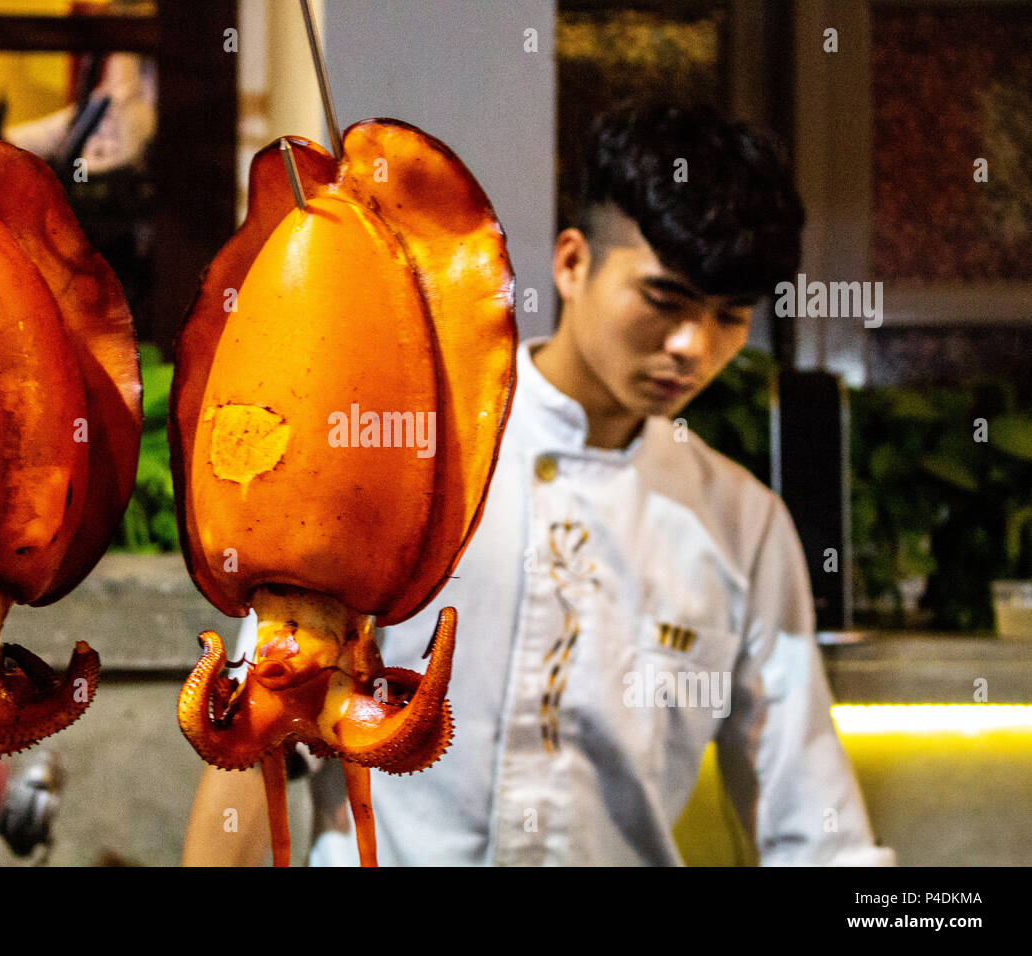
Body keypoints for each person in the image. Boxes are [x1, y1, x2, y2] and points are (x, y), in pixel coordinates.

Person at [181, 101, 894, 866]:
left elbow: (812, 824)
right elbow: (263, 726)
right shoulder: (416, 455)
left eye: (730, 317)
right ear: (571, 262)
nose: (693, 346)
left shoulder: (744, 526)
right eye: (665, 301)